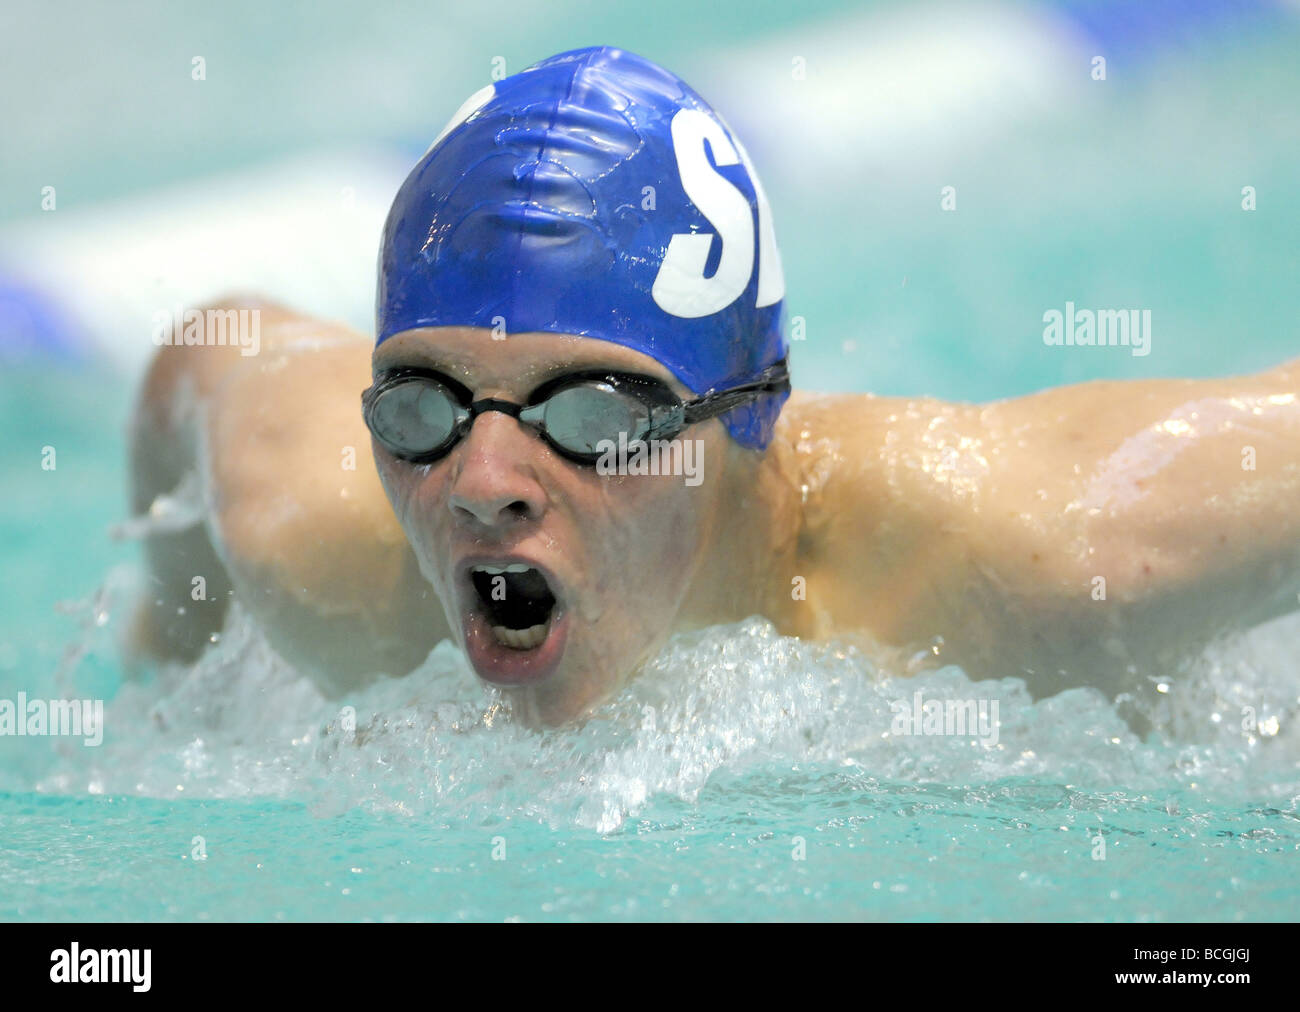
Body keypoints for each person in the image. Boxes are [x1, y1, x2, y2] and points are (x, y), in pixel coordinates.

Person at [127, 47, 1300, 727]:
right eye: (425, 403)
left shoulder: (1033, 556)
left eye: (590, 413)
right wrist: (175, 641)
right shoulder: (312, 536)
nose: (481, 485)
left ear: (746, 411)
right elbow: (203, 358)